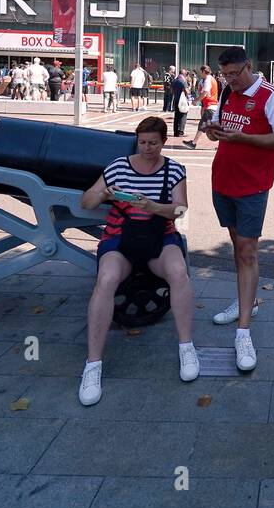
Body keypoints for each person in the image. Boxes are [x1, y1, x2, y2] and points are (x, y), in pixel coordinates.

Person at [78, 116, 196, 397]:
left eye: (153, 143)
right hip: (121, 235)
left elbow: (181, 210)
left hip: (159, 236)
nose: (147, 148)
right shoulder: (119, 166)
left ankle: (187, 346)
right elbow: (86, 201)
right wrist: (104, 194)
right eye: (142, 142)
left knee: (179, 273)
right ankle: (92, 364)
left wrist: (155, 206)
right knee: (106, 280)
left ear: (164, 142)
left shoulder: (175, 169)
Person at [203, 48, 274, 361]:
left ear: (248, 66)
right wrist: (213, 132)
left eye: (234, 74)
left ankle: (243, 331)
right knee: (237, 247)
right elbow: (219, 135)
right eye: (225, 75)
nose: (230, 80)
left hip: (252, 186)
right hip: (222, 180)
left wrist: (245, 139)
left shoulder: (271, 95)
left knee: (247, 250)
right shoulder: (227, 93)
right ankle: (248, 302)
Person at [182, 64, 220, 149]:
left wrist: (196, 100)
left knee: (207, 126)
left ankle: (194, 143)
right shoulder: (208, 79)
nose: (200, 74)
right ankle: (194, 143)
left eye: (201, 72)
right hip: (210, 106)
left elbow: (205, 93)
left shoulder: (208, 79)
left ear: (203, 71)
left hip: (211, 106)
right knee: (208, 126)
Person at [170, 67, 189, 137]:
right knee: (183, 114)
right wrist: (188, 92)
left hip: (176, 100)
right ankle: (181, 131)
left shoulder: (175, 80)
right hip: (182, 101)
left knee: (176, 116)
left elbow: (171, 90)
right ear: (184, 74)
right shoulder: (183, 81)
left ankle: (175, 132)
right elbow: (187, 91)